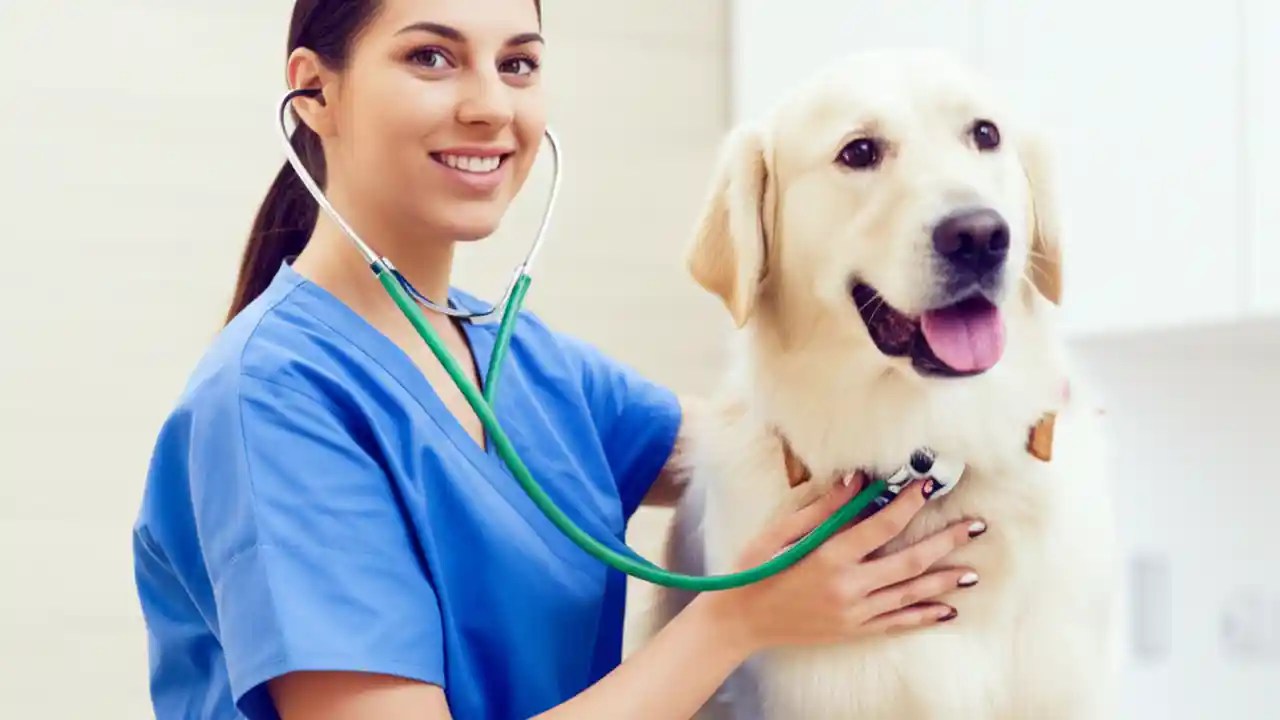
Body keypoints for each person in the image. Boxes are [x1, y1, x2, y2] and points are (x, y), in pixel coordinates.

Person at [131, 1, 989, 718]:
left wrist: (999, 412)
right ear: (314, 93)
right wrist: (736, 622)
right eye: (432, 57)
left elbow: (766, 442)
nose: (489, 107)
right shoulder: (273, 397)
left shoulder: (525, 361)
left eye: (518, 64)